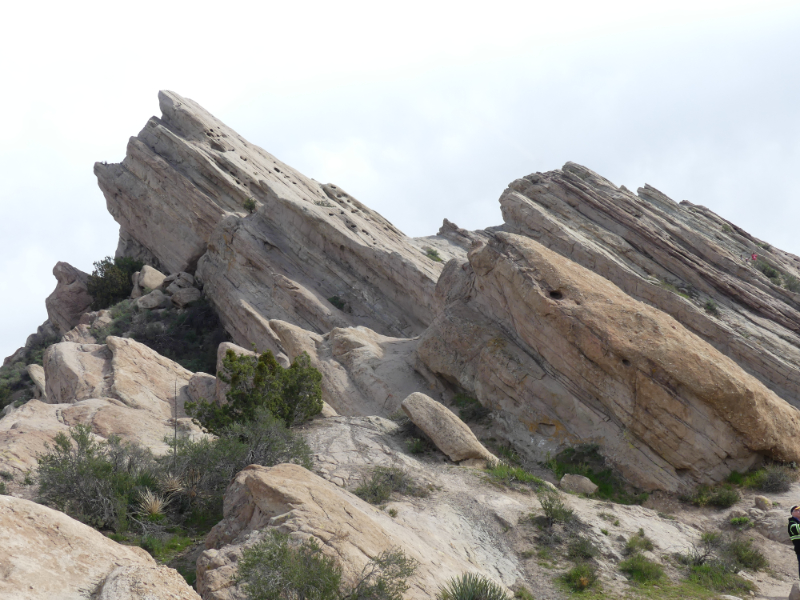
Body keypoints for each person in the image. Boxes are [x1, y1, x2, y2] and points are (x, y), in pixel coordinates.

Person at [789, 506, 800, 578]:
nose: (799, 511)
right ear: (792, 513)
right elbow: (797, 529)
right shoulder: (792, 523)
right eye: (797, 510)